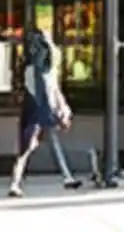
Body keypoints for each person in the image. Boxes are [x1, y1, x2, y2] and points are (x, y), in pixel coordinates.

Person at [9, 29, 85, 197]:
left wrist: (61, 108)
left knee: (36, 146)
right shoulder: (34, 70)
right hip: (37, 110)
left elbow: (54, 91)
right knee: (28, 148)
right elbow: (46, 92)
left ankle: (66, 177)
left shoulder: (42, 70)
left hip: (41, 110)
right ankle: (16, 183)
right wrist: (59, 110)